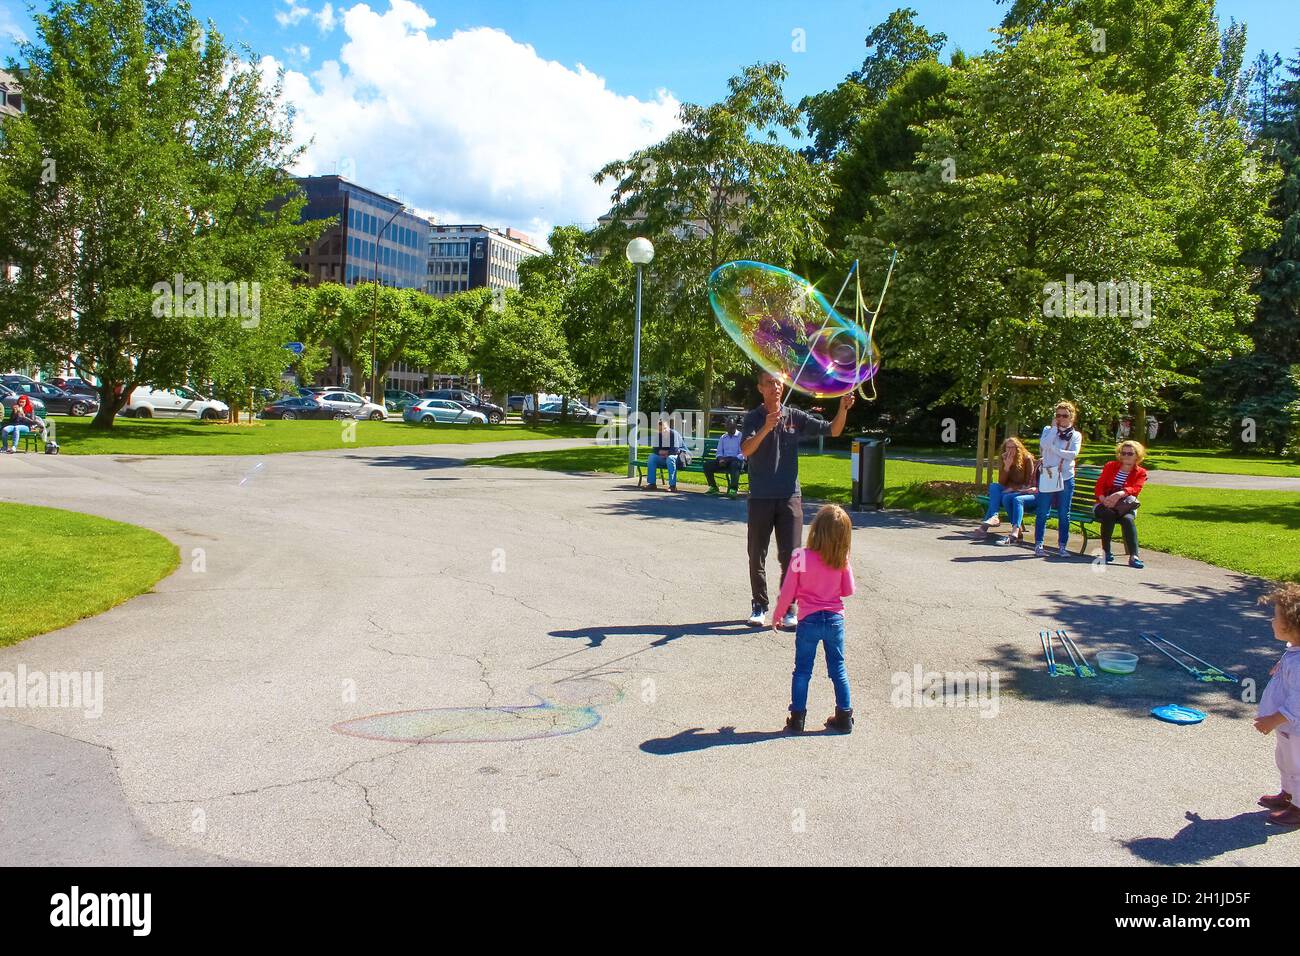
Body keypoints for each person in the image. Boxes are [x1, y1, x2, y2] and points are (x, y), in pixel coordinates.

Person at [741, 369, 855, 628]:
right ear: (761, 388)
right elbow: (746, 449)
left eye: (779, 384)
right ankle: (759, 606)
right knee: (756, 553)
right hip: (760, 496)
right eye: (769, 383)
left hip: (790, 496)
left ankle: (790, 607)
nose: (775, 388)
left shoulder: (795, 416)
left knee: (792, 557)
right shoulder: (753, 418)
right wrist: (766, 427)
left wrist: (843, 409)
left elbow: (833, 431)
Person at [773, 504, 855, 734]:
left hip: (808, 619)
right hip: (834, 619)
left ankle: (797, 717)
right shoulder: (842, 559)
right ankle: (845, 716)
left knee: (802, 670)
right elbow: (848, 590)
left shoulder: (800, 557)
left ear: (816, 529)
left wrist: (779, 614)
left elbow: (788, 590)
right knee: (838, 668)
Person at [1253, 583, 1300, 827]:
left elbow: (1299, 700)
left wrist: (1274, 719)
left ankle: (1299, 808)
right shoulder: (1295, 650)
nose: (1272, 621)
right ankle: (1289, 793)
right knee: (1285, 760)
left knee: (1298, 764)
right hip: (1288, 727)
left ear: (1292, 626)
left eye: (1276, 617)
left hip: (1295, 726)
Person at [1033, 400, 1083, 558]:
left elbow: (1072, 455)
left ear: (1071, 417)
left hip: (1066, 476)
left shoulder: (1075, 435)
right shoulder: (1049, 430)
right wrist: (1054, 429)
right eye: (1058, 415)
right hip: (1048, 473)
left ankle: (1062, 545)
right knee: (1042, 511)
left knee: (1063, 513)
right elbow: (1043, 444)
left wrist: (1055, 449)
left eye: (1065, 415)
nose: (1061, 418)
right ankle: (1038, 544)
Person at [1093, 439, 1149, 569]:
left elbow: (1136, 488)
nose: (1126, 456)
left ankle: (1134, 556)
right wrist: (1103, 499)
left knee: (1128, 519)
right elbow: (1099, 486)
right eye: (1123, 453)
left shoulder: (1141, 472)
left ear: (1137, 455)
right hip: (1103, 504)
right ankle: (1106, 551)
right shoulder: (1110, 466)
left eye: (1130, 453)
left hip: (1125, 506)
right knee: (1108, 513)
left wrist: (1119, 494)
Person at [975, 437, 1037, 546]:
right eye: (1008, 447)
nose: (1010, 450)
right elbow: (1001, 482)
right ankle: (994, 517)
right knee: (994, 487)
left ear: (1019, 448)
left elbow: (1029, 483)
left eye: (1013, 447)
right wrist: (1007, 467)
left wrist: (1013, 488)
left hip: (1021, 491)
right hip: (1007, 489)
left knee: (1000, 497)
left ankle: (983, 528)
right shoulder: (1004, 458)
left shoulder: (1027, 459)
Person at [703, 418, 745, 498]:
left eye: (732, 427)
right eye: (728, 427)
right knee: (707, 465)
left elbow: (742, 454)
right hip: (724, 461)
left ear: (735, 426)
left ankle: (733, 489)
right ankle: (714, 487)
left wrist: (728, 459)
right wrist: (720, 459)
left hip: (737, 461)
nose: (730, 429)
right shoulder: (723, 437)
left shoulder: (741, 436)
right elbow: (719, 452)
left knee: (734, 464)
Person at [645, 417, 685, 491]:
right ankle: (652, 484)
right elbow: (655, 449)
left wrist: (664, 453)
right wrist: (663, 453)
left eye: (664, 428)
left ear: (668, 427)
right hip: (664, 457)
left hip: (679, 457)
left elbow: (675, 450)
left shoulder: (673, 434)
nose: (662, 431)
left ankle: (672, 486)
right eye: (660, 429)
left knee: (670, 458)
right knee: (652, 457)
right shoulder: (658, 434)